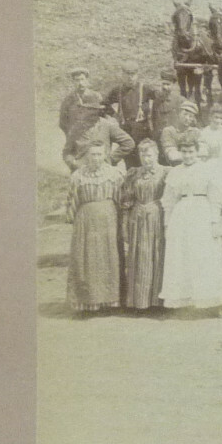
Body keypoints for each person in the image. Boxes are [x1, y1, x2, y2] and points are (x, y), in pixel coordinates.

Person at [158, 140, 222, 313]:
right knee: (182, 254)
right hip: (181, 213)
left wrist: (215, 222)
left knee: (203, 254)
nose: (188, 155)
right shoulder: (175, 172)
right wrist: (167, 224)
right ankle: (184, 299)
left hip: (202, 213)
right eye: (184, 152)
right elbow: (169, 201)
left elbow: (215, 198)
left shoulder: (207, 169)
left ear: (197, 152)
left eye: (191, 151)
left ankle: (209, 301)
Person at [65, 141, 122, 314]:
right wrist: (73, 219)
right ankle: (87, 302)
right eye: (92, 155)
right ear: (86, 156)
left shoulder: (114, 174)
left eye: (99, 154)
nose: (96, 158)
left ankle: (110, 301)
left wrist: (121, 221)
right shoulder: (78, 176)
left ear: (105, 155)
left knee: (108, 257)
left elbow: (120, 198)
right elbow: (72, 201)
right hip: (86, 221)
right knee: (86, 258)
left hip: (108, 221)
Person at [117, 137, 167, 311]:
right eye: (143, 155)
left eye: (150, 155)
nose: (147, 159)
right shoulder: (134, 173)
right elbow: (126, 200)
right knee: (139, 256)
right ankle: (138, 301)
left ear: (157, 154)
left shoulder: (166, 172)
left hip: (156, 216)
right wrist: (125, 221)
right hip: (137, 217)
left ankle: (157, 302)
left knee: (157, 254)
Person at [105, 62, 155, 163]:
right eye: (127, 75)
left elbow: (159, 100)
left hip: (142, 131)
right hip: (126, 131)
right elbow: (104, 104)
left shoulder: (145, 89)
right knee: (129, 161)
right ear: (122, 75)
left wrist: (150, 114)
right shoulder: (117, 90)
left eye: (133, 75)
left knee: (144, 158)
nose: (130, 78)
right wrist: (114, 115)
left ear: (137, 75)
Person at [159, 98, 202, 165]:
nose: (187, 118)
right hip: (175, 169)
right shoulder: (168, 131)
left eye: (191, 116)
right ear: (178, 114)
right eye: (185, 114)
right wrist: (194, 155)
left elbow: (204, 152)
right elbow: (172, 156)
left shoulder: (196, 132)